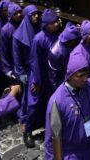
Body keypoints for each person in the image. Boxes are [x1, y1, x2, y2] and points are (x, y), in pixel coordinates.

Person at [24, 9, 61, 147]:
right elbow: (34, 61)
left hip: (51, 76)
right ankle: (28, 132)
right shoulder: (38, 38)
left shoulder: (57, 36)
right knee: (34, 104)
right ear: (46, 25)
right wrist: (37, 81)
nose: (57, 24)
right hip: (39, 75)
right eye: (53, 22)